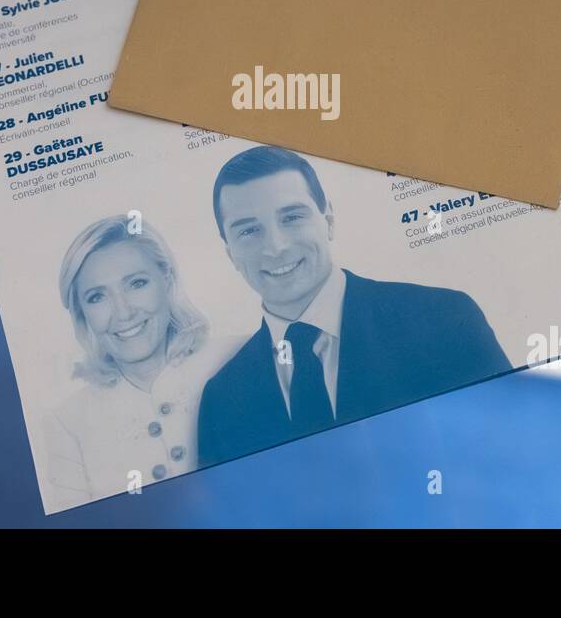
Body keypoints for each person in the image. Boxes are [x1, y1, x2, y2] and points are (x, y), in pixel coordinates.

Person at [197, 145, 510, 468]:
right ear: (230, 252)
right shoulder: (221, 400)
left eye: (291, 217)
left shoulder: (443, 319)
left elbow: (515, 459)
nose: (275, 247)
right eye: (249, 230)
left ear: (328, 219)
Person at [44, 215, 228, 505]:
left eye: (137, 283)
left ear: (167, 281)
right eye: (96, 297)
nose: (123, 312)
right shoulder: (67, 423)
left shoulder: (236, 357)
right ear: (82, 315)